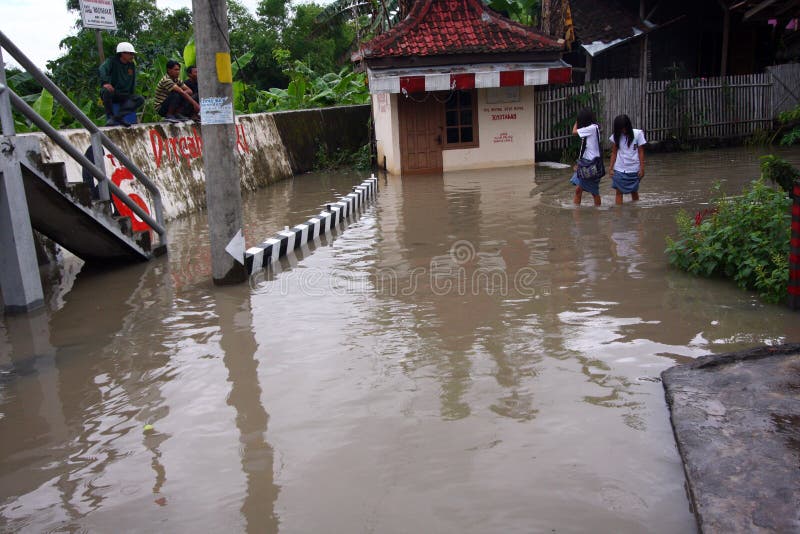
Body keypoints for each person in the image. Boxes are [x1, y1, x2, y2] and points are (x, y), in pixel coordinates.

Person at [99, 41, 145, 127]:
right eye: (130, 54)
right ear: (123, 53)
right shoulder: (111, 61)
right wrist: (105, 83)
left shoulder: (131, 65)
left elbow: (132, 81)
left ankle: (118, 117)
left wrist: (132, 95)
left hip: (124, 94)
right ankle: (110, 117)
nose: (132, 56)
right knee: (107, 91)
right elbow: (102, 69)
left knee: (140, 99)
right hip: (113, 92)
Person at [609, 114, 647, 204]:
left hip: (634, 169)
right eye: (620, 128)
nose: (623, 130)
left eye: (624, 128)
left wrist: (642, 168)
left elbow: (641, 152)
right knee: (618, 192)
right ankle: (618, 215)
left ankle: (635, 213)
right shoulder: (616, 136)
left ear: (628, 126)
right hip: (619, 169)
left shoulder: (638, 134)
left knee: (634, 191)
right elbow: (614, 153)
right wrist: (610, 168)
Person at [570, 108, 603, 206]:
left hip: (590, 164)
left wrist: (577, 121)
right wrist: (579, 163)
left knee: (594, 192)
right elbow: (584, 149)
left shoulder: (591, 128)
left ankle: (596, 212)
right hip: (587, 163)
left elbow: (574, 131)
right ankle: (577, 213)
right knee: (579, 191)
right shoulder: (592, 128)